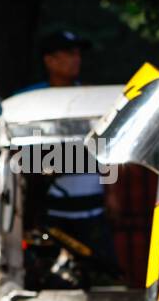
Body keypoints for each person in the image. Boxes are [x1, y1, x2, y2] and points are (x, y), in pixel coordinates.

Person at [14, 29, 118, 279]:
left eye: (78, 54)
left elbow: (108, 155)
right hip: (50, 216)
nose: (76, 59)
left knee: (104, 274)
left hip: (93, 212)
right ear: (49, 60)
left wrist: (112, 193)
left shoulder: (93, 100)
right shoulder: (30, 102)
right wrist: (78, 159)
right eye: (68, 53)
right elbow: (23, 160)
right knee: (49, 278)